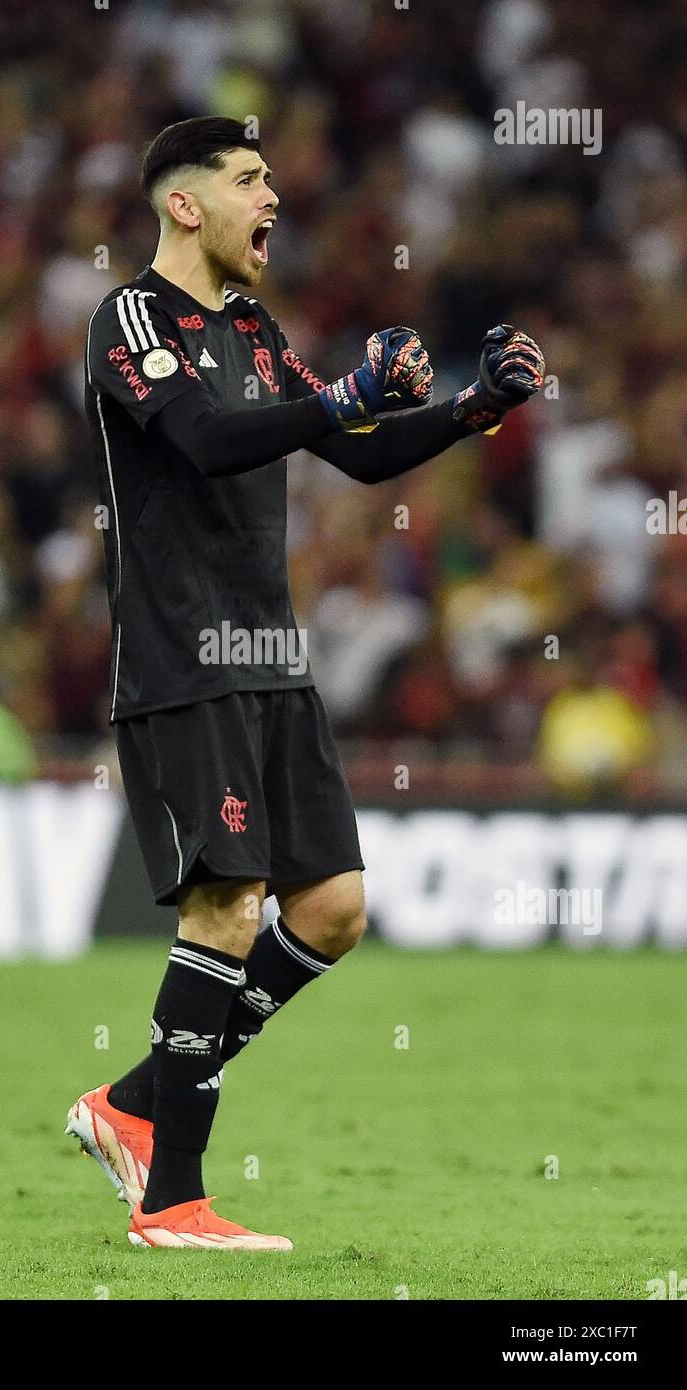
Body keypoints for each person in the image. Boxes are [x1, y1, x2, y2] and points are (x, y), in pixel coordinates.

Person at [66, 116, 544, 1250]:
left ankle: (130, 1101)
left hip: (273, 661)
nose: (272, 196)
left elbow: (359, 449)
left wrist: (474, 407)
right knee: (226, 906)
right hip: (184, 656)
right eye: (248, 180)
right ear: (185, 204)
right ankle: (171, 1200)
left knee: (330, 911)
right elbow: (206, 435)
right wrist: (337, 398)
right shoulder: (130, 318)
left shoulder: (255, 328)